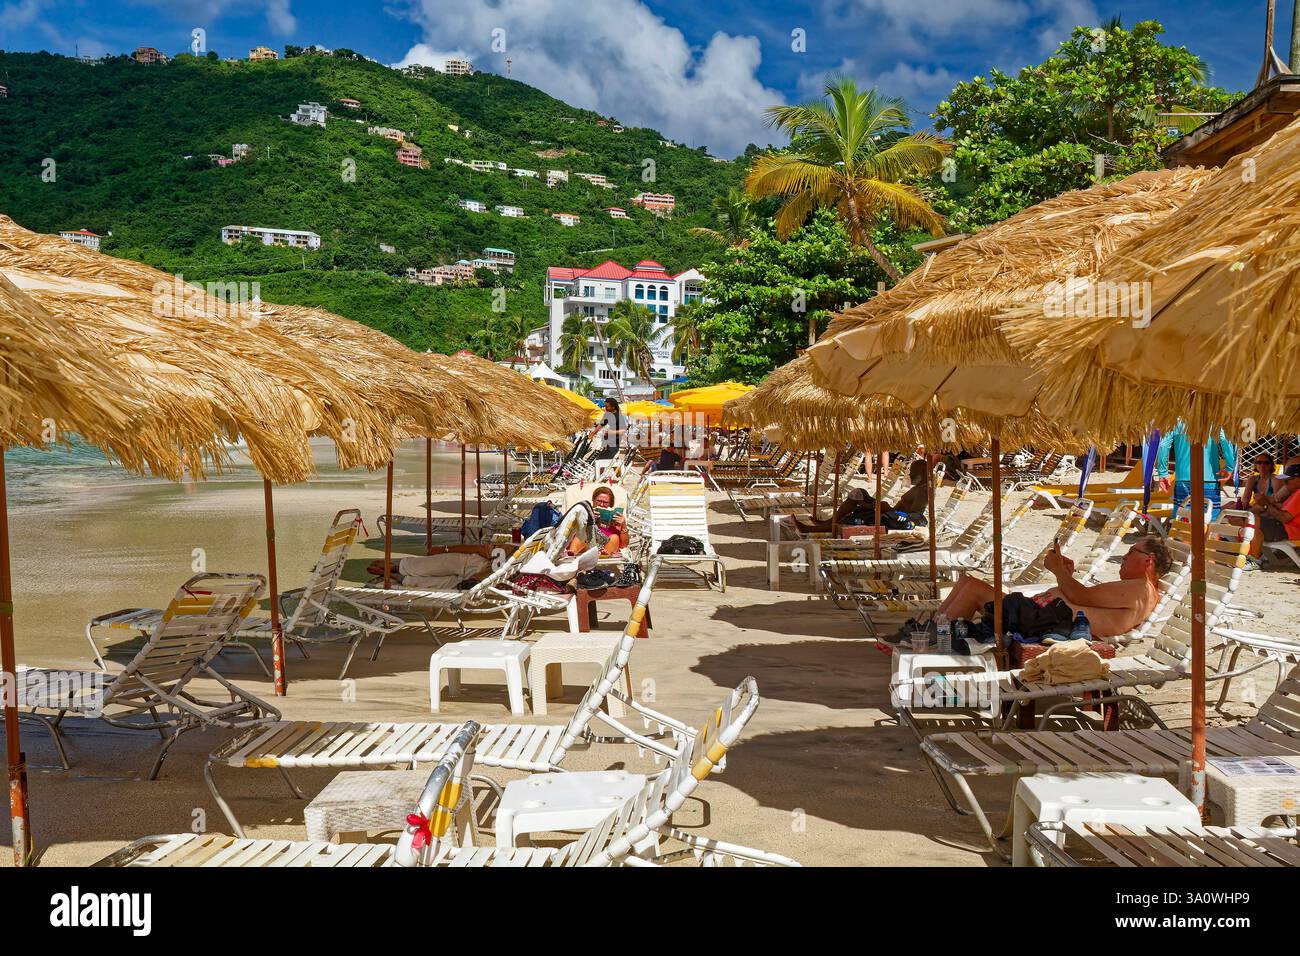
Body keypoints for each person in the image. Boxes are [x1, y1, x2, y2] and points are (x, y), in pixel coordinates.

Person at [932, 534, 1171, 640]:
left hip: (1044, 623)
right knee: (967, 581)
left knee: (973, 587)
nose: (1124, 557)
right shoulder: (1138, 590)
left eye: (1131, 552)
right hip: (1040, 616)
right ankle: (930, 631)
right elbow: (1082, 598)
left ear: (1148, 561)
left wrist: (1057, 569)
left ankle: (931, 639)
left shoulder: (1140, 589)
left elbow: (1080, 595)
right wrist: (1064, 576)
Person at [793, 459, 929, 535]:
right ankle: (829, 522)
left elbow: (913, 516)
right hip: (889, 514)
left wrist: (888, 510)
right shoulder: (918, 489)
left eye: (913, 471)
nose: (910, 474)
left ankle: (814, 528)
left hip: (892, 522)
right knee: (858, 492)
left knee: (854, 516)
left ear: (922, 473)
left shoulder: (923, 493)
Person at [1155, 422, 1236, 519]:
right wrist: (1230, 466)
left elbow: (1163, 445)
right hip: (1209, 480)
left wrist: (1163, 472)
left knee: (1182, 520)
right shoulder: (1213, 419)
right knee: (1209, 522)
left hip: (1183, 479)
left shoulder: (1176, 420)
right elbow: (1225, 440)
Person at [569, 485, 628, 557]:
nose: (601, 504)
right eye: (599, 501)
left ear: (610, 504)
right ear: (593, 501)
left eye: (605, 502)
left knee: (615, 538)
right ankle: (572, 553)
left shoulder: (616, 518)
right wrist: (588, 519)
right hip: (585, 547)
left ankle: (603, 555)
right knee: (582, 534)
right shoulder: (584, 513)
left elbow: (624, 546)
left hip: (605, 548)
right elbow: (570, 534)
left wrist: (623, 525)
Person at [593, 396, 625, 460]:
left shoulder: (618, 416)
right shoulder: (607, 414)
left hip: (614, 443)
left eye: (607, 406)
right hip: (607, 442)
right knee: (605, 460)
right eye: (605, 406)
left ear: (613, 407)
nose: (605, 408)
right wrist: (593, 433)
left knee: (606, 460)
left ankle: (618, 469)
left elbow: (623, 430)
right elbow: (601, 424)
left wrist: (611, 432)